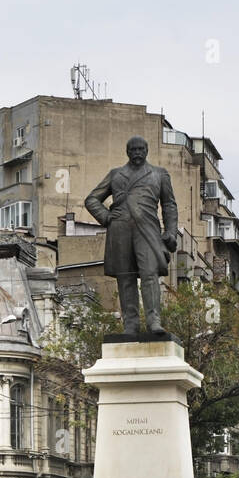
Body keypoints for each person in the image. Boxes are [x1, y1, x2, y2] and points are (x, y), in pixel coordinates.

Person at [83, 135, 178, 336]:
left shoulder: (159, 174)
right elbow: (92, 199)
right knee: (125, 277)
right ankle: (131, 325)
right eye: (133, 150)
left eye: (140, 149)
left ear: (146, 151)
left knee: (149, 274)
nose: (137, 153)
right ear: (127, 152)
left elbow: (169, 205)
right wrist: (106, 217)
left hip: (148, 229)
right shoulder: (116, 174)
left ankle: (154, 322)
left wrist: (170, 231)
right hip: (120, 230)